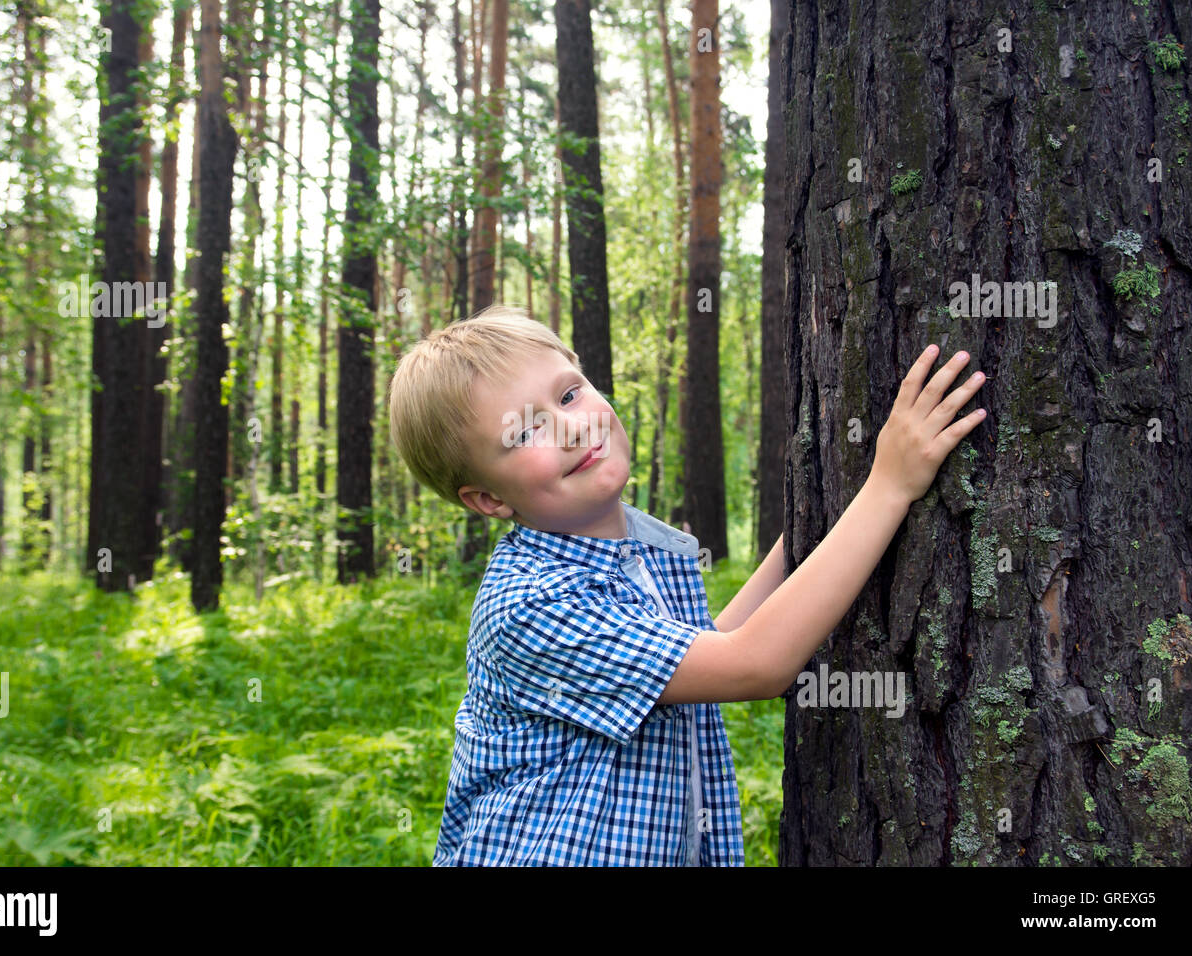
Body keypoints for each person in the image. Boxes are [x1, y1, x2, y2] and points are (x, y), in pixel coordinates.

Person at [388, 305, 986, 865]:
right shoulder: (530, 604)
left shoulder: (640, 551)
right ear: (489, 498)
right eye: (525, 433)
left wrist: (814, 528)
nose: (572, 429)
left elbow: (704, 651)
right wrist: (889, 486)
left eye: (569, 394)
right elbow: (753, 663)